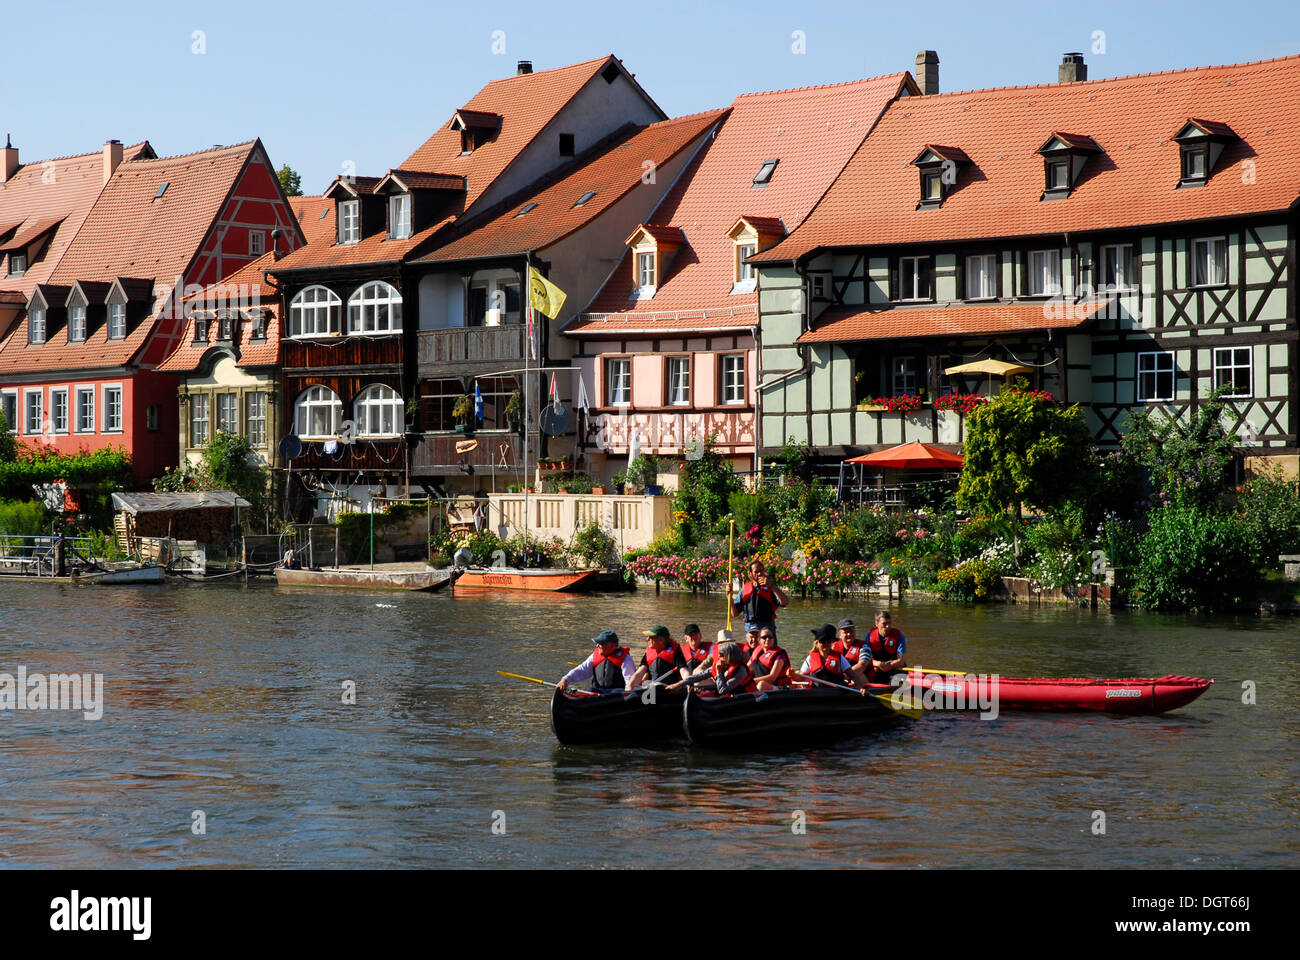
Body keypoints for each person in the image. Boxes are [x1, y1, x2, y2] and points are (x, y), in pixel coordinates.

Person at [557, 630, 636, 694]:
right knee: (590, 690)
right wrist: (565, 679)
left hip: (616, 694)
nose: (597, 646)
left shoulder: (626, 659)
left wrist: (627, 695)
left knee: (617, 693)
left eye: (601, 643)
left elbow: (629, 681)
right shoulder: (594, 656)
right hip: (599, 693)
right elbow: (582, 670)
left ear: (612, 646)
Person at [667, 642, 756, 697]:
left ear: (729, 656)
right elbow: (699, 676)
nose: (718, 656)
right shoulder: (722, 665)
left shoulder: (741, 670)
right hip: (729, 695)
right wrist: (678, 684)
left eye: (721, 654)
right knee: (698, 690)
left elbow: (722, 690)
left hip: (745, 697)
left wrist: (719, 673)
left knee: (706, 694)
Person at [798, 623, 863, 691]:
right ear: (816, 643)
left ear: (831, 642)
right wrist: (792, 675)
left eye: (828, 641)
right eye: (822, 641)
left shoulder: (839, 658)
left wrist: (861, 688)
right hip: (816, 693)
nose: (826, 644)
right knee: (797, 672)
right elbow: (800, 678)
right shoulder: (810, 658)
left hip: (834, 693)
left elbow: (853, 675)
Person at [732, 560, 790, 635]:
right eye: (756, 572)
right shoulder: (744, 590)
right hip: (751, 629)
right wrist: (729, 598)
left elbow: (785, 602)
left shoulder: (771, 588)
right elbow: (735, 614)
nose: (759, 574)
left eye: (761, 571)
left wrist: (772, 586)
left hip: (768, 628)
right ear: (750, 574)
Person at [854, 610, 908, 685]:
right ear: (877, 624)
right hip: (878, 667)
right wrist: (879, 664)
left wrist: (888, 665)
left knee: (896, 682)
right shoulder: (869, 636)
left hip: (894, 668)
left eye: (889, 623)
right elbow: (865, 659)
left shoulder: (899, 636)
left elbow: (901, 661)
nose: (888, 626)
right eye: (884, 624)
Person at [626, 625, 688, 691]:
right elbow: (639, 673)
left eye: (651, 637)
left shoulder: (675, 651)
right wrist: (629, 687)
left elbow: (683, 670)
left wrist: (688, 684)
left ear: (661, 640)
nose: (647, 639)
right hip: (653, 687)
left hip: (671, 689)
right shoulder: (649, 652)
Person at [748, 627, 791, 692]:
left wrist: (752, 681)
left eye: (770, 637)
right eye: (764, 637)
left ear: (773, 639)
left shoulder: (779, 655)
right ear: (759, 640)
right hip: (758, 685)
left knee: (761, 685)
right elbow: (747, 668)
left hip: (780, 688)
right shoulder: (757, 651)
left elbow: (772, 677)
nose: (767, 639)